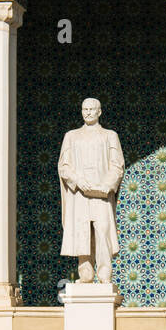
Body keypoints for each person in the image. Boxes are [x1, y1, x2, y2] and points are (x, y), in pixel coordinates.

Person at [59, 98, 124, 285]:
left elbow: (117, 165)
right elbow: (64, 166)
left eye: (91, 109)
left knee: (102, 231)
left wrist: (107, 184)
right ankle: (85, 273)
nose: (87, 112)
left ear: (99, 112)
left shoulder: (109, 135)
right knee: (82, 232)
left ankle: (105, 275)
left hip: (101, 195)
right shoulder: (71, 136)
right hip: (79, 193)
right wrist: (77, 180)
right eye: (84, 109)